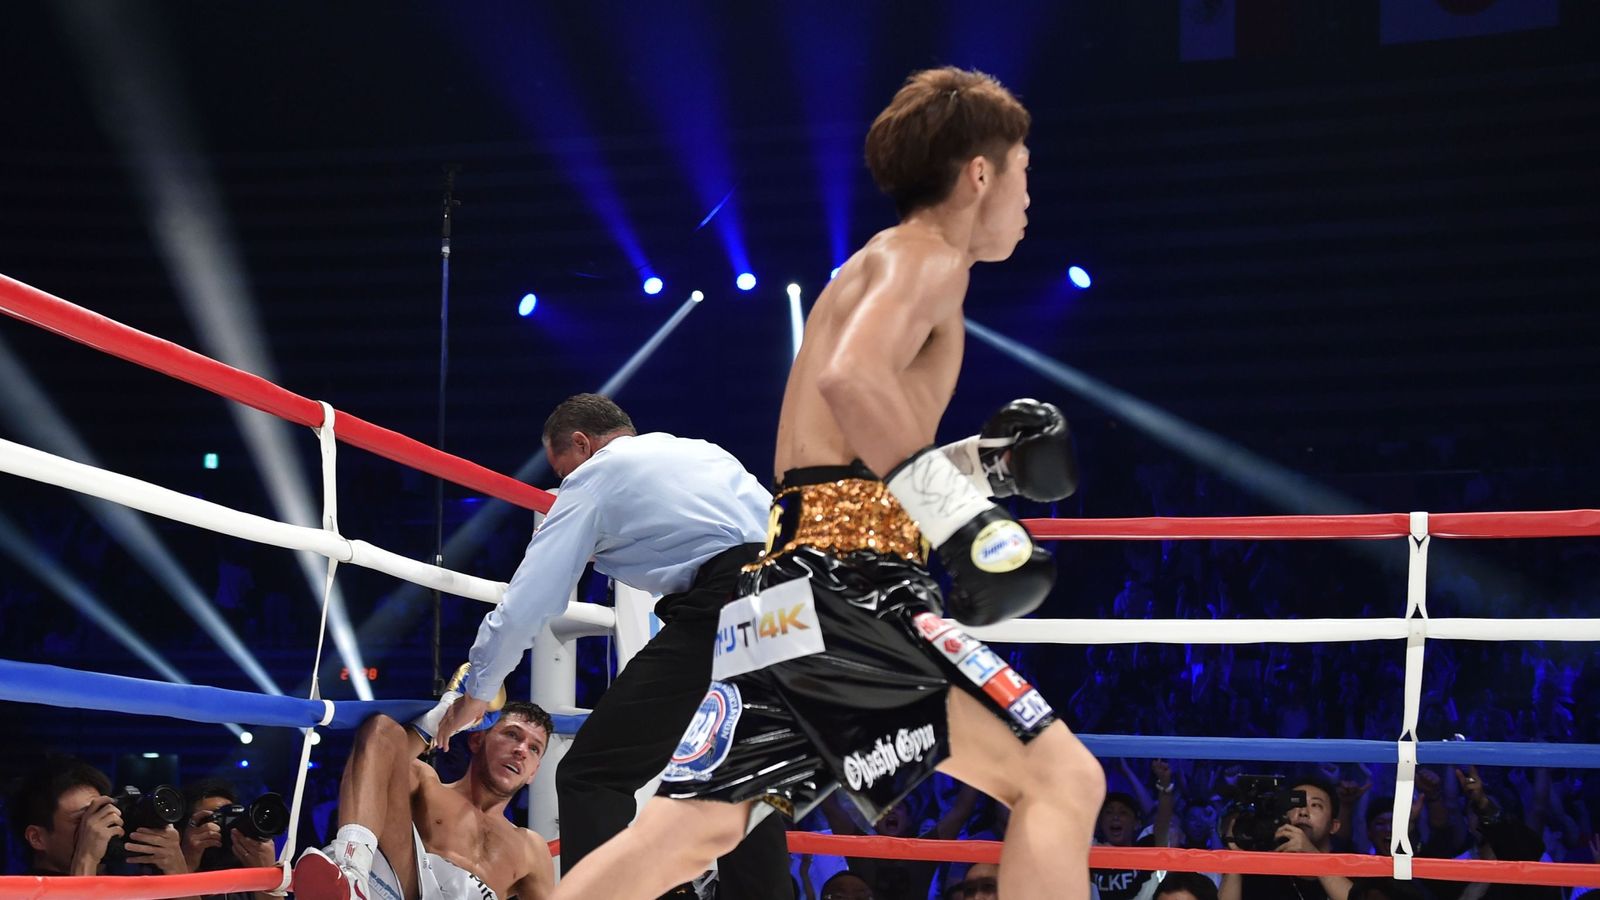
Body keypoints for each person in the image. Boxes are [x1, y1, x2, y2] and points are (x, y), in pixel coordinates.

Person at [550, 66, 1102, 900]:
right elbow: (854, 380)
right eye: (1024, 170)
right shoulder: (927, 256)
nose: (1029, 196)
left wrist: (987, 465)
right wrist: (963, 522)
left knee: (687, 834)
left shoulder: (878, 264)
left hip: (785, 590)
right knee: (1062, 781)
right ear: (980, 173)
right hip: (852, 585)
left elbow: (839, 463)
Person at [429, 392, 791, 895]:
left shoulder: (595, 476)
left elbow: (528, 601)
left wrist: (479, 689)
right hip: (799, 605)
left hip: (730, 600)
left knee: (592, 775)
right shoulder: (700, 452)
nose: (563, 484)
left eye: (562, 471)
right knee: (736, 775)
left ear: (582, 443)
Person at [292, 702, 557, 900]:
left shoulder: (530, 848)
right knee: (382, 728)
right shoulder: (426, 784)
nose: (521, 751)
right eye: (512, 735)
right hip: (404, 887)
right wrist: (436, 723)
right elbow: (376, 760)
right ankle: (352, 873)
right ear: (477, 739)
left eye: (534, 748)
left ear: (533, 772)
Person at [9, 754, 193, 888]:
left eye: (101, 812)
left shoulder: (121, 883)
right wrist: (86, 859)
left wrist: (178, 871)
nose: (98, 827)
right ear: (37, 838)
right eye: (82, 819)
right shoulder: (20, 892)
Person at [1219, 774, 1350, 900]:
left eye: (1315, 805)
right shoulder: (1263, 869)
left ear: (1334, 826)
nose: (1303, 812)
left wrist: (1314, 857)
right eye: (1295, 804)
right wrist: (1235, 859)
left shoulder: (1349, 865)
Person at [180, 778, 278, 900]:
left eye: (232, 818)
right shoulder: (167, 870)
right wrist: (186, 866)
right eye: (215, 818)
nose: (227, 827)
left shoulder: (249, 872)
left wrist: (267, 876)